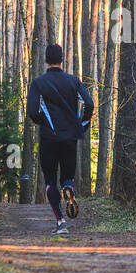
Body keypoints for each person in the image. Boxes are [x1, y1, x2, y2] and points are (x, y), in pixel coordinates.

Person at [26, 43, 94, 235]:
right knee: (67, 176)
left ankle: (61, 221)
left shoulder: (38, 83)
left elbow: (32, 111)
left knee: (49, 180)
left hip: (49, 137)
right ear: (62, 59)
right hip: (70, 137)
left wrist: (43, 122)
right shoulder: (74, 81)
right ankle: (68, 188)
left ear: (46, 59)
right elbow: (88, 103)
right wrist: (81, 125)